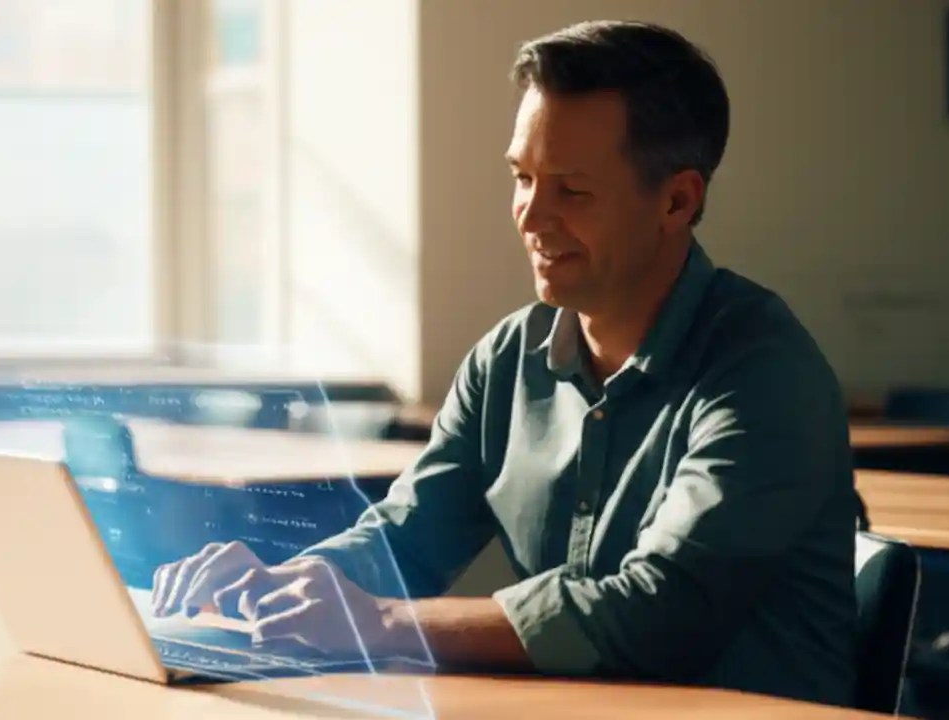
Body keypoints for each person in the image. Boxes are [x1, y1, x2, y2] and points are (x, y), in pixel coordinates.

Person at [152, 20, 859, 707]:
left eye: (571, 190)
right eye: (522, 177)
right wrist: (287, 587)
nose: (530, 214)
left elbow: (658, 611)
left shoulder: (763, 370)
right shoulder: (507, 357)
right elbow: (409, 535)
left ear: (677, 200)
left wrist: (382, 623)